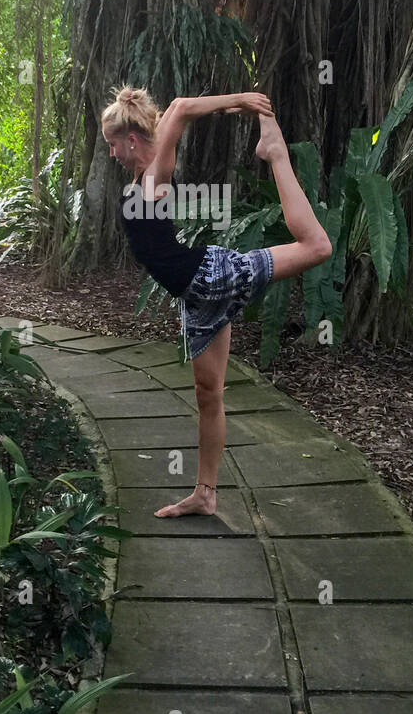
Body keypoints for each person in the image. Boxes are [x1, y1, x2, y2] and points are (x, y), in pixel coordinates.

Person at [100, 85, 332, 518]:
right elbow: (174, 110)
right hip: (197, 299)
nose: (111, 154)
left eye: (112, 145)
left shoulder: (155, 175)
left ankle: (276, 154)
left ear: (130, 140)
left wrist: (240, 100)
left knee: (317, 246)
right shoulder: (142, 178)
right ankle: (205, 494)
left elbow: (182, 108)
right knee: (208, 393)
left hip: (211, 280)